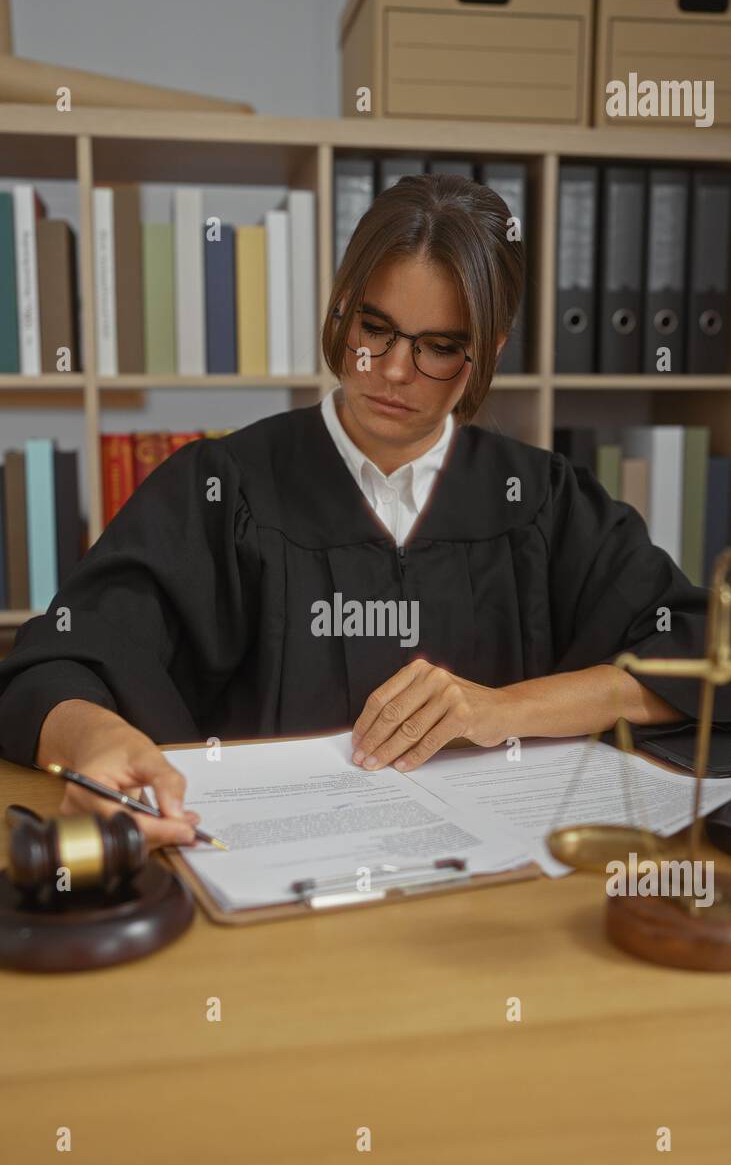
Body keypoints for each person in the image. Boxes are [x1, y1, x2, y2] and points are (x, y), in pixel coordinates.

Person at [0, 174, 724, 850]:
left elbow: (701, 655)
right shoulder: (223, 489)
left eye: (440, 347)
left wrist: (503, 709)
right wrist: (94, 741)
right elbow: (59, 659)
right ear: (340, 304)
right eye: (372, 328)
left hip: (492, 908)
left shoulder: (541, 502)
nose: (393, 369)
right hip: (269, 893)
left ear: (491, 349)